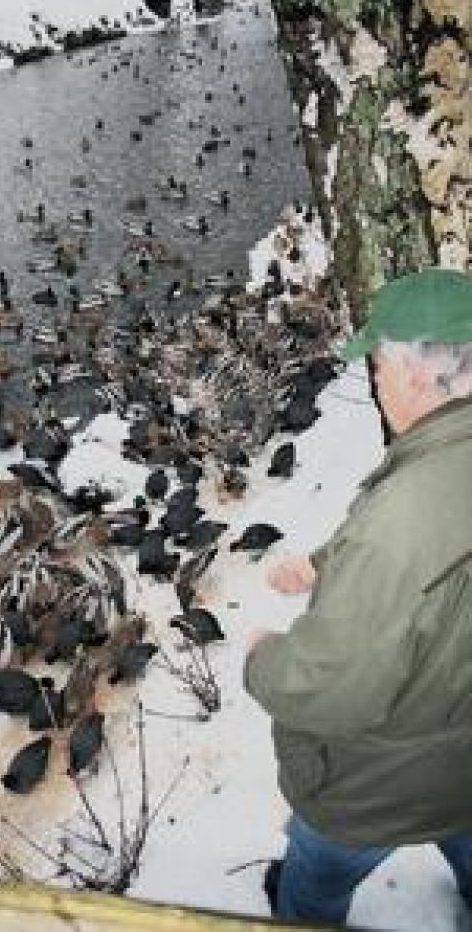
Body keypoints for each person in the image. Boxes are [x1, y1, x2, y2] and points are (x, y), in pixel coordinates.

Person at [244, 268, 472, 924]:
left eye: (376, 365)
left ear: (422, 376)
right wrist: (328, 564)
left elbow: (331, 685)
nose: (373, 381)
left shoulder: (405, 516)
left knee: (313, 885)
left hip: (380, 784)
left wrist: (263, 657)